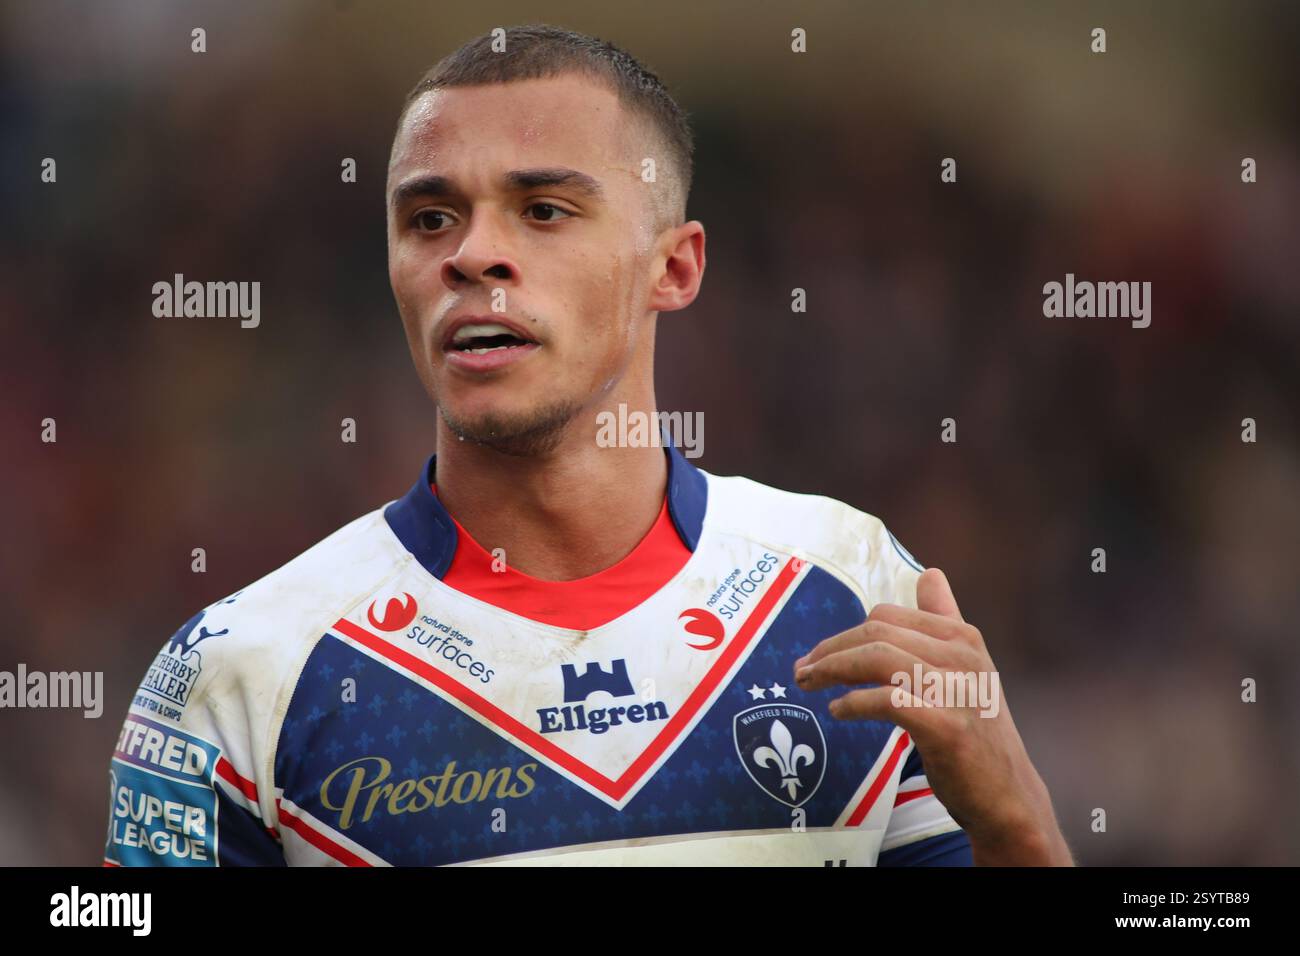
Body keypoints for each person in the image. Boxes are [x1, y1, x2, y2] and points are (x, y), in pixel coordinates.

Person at [104, 24, 1071, 867]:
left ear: (675, 266)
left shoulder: (852, 591)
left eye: (543, 209)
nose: (472, 254)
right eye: (430, 217)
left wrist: (1022, 830)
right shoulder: (239, 676)